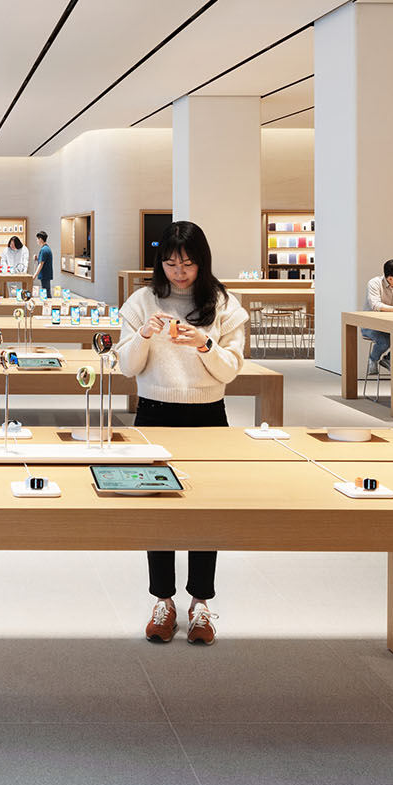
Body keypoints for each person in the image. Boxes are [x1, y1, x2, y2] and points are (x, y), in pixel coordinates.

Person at [115, 221, 248, 646]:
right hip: (154, 411)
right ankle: (163, 600)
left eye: (187, 264)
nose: (178, 272)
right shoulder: (142, 301)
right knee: (156, 509)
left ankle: (201, 602)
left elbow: (231, 369)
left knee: (207, 509)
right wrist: (144, 335)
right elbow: (127, 366)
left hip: (209, 413)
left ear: (201, 262)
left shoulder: (225, 305)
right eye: (171, 263)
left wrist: (204, 344)